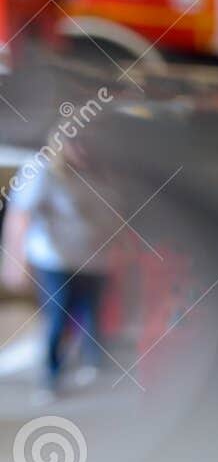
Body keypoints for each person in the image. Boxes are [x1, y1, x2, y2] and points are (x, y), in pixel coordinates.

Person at [1, 140, 124, 396]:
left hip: (95, 259)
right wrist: (15, 261)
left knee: (93, 314)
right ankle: (50, 377)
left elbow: (116, 214)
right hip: (56, 259)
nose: (84, 149)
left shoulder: (106, 173)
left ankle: (94, 367)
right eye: (77, 143)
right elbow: (20, 215)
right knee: (58, 316)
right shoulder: (42, 170)